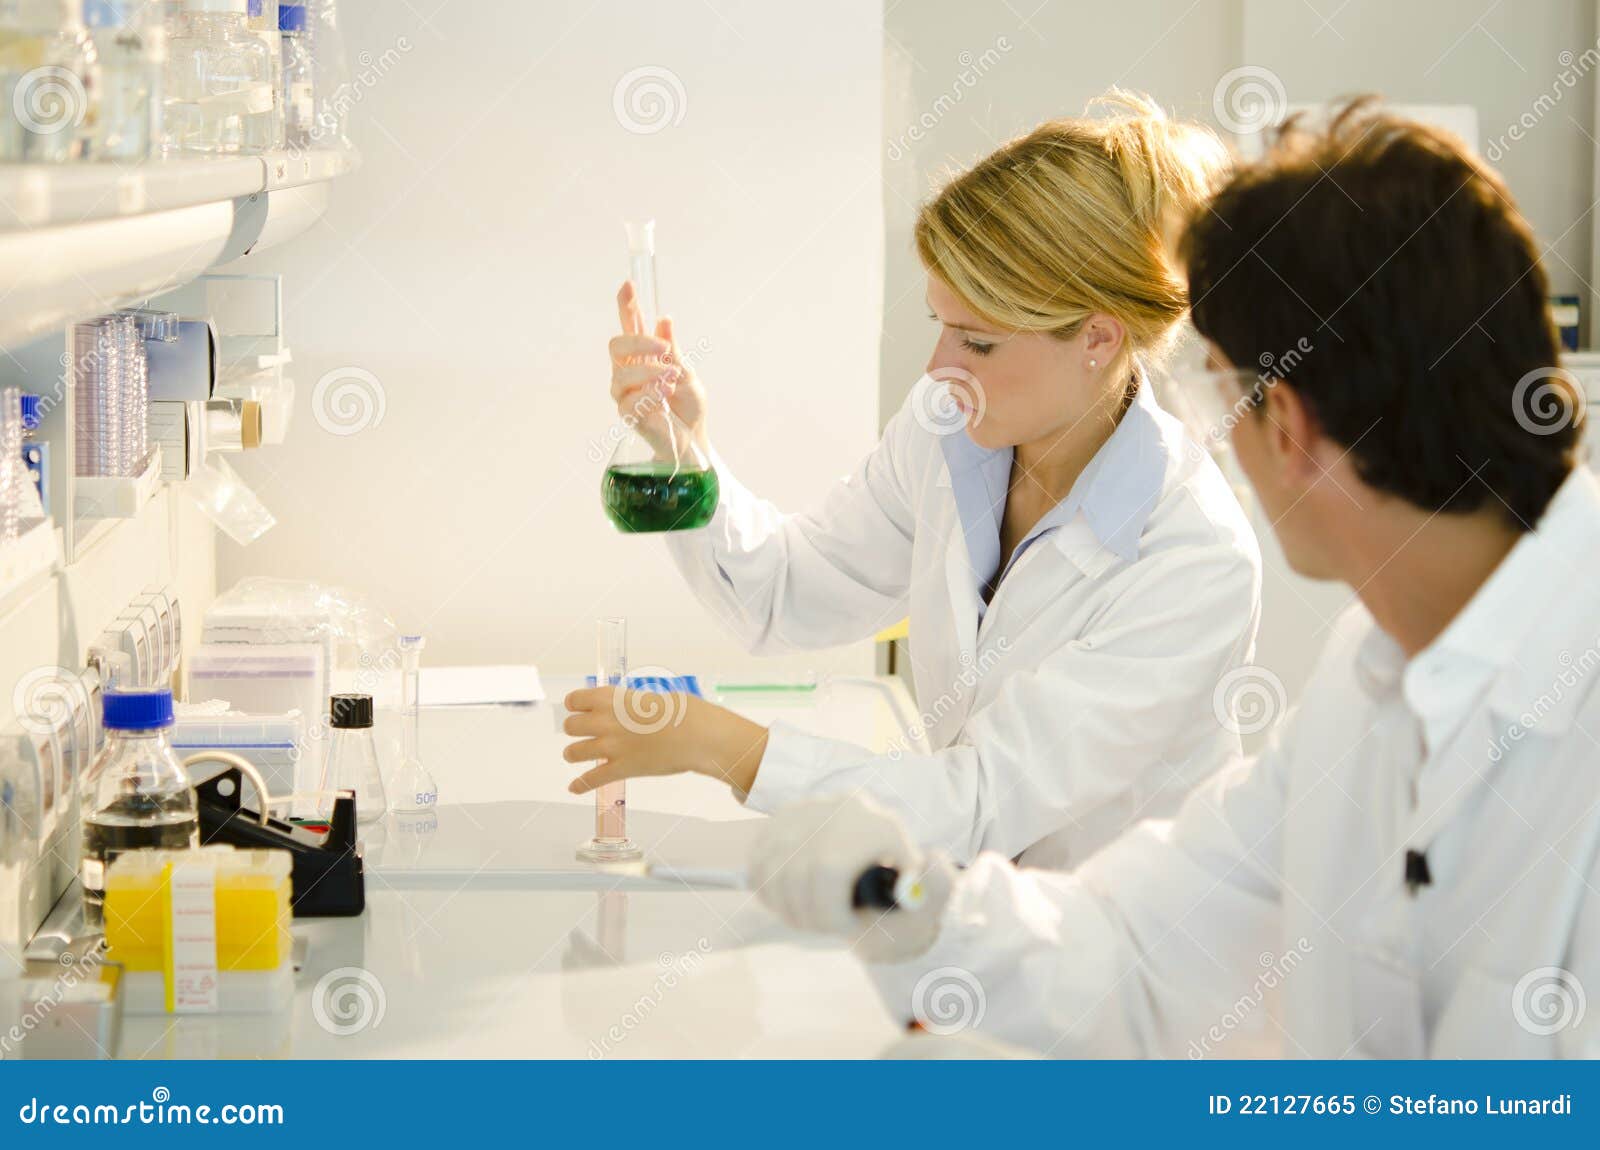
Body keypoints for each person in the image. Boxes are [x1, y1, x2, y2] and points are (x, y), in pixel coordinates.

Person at [748, 101, 1600, 1058]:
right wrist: (908, 897)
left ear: (1286, 426)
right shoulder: (1365, 683)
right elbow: (1140, 948)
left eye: (1224, 387)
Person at [564, 91, 1261, 868]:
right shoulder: (949, 434)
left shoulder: (1194, 558)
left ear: (1098, 337)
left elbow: (980, 801)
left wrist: (724, 747)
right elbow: (782, 596)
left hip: (1116, 966)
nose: (938, 369)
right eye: (940, 326)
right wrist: (681, 445)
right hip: (973, 929)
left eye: (977, 342)